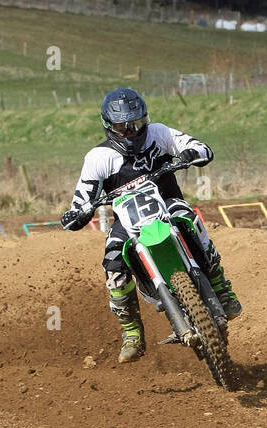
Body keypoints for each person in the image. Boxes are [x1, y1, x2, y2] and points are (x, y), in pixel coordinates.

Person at [60, 88, 240, 363]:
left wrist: (192, 153)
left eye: (137, 124)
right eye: (124, 126)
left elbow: (202, 147)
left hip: (168, 203)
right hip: (128, 221)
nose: (132, 131)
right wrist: (76, 214)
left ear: (145, 120)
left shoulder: (160, 134)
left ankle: (222, 290)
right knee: (113, 265)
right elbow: (82, 200)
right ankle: (132, 332)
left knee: (190, 219)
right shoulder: (98, 158)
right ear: (110, 126)